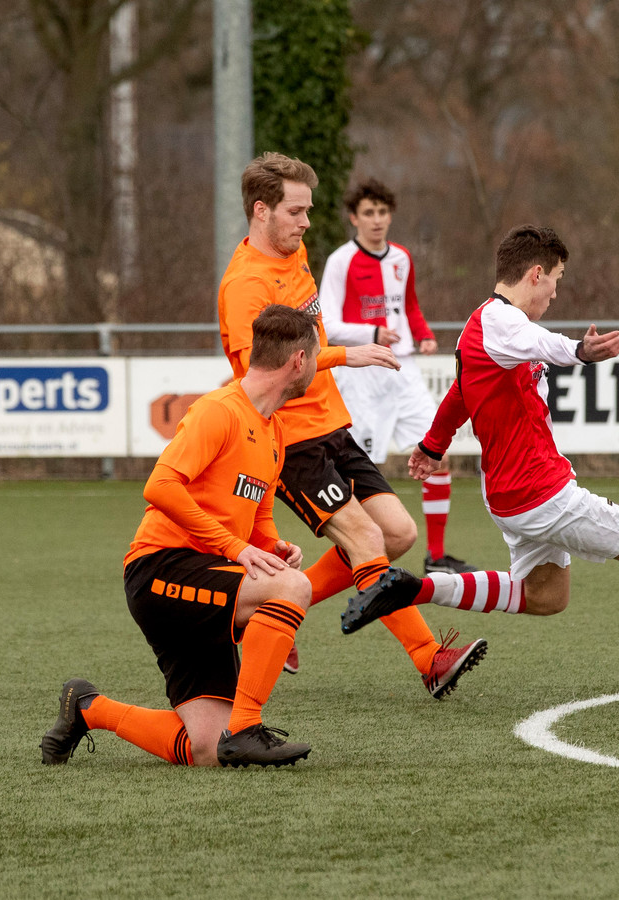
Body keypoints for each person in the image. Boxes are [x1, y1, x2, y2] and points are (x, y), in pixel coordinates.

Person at [340, 225, 619, 708]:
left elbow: (460, 393)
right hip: (542, 494)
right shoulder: (502, 321)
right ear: (535, 274)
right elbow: (544, 343)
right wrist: (581, 351)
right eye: (556, 278)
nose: (556, 291)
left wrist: (431, 445)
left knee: (546, 596)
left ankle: (413, 587)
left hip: (512, 494)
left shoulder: (483, 326)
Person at [217, 152, 487, 699]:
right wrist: (346, 355)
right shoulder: (245, 285)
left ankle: (269, 610)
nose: (306, 222)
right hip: (290, 439)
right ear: (261, 211)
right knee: (364, 538)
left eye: (309, 211)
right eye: (296, 212)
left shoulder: (295, 255)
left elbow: (308, 338)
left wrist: (336, 355)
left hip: (332, 424)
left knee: (398, 534)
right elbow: (263, 376)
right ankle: (430, 659)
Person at [41, 305, 323, 769]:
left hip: (208, 579)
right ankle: (248, 727)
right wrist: (238, 549)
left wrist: (274, 548)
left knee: (209, 751)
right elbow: (160, 486)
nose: (317, 365)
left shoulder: (275, 432)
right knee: (295, 588)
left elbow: (258, 518)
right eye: (315, 356)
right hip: (159, 570)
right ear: (298, 361)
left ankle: (89, 708)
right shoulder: (219, 410)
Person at [320, 178, 477, 576]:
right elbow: (328, 325)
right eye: (368, 213)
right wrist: (371, 334)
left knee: (435, 452)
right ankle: (366, 551)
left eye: (383, 212)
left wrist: (422, 335)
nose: (377, 220)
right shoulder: (341, 261)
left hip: (402, 368)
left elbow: (409, 307)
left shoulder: (402, 258)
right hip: (361, 372)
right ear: (354, 218)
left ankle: (436, 556)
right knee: (364, 466)